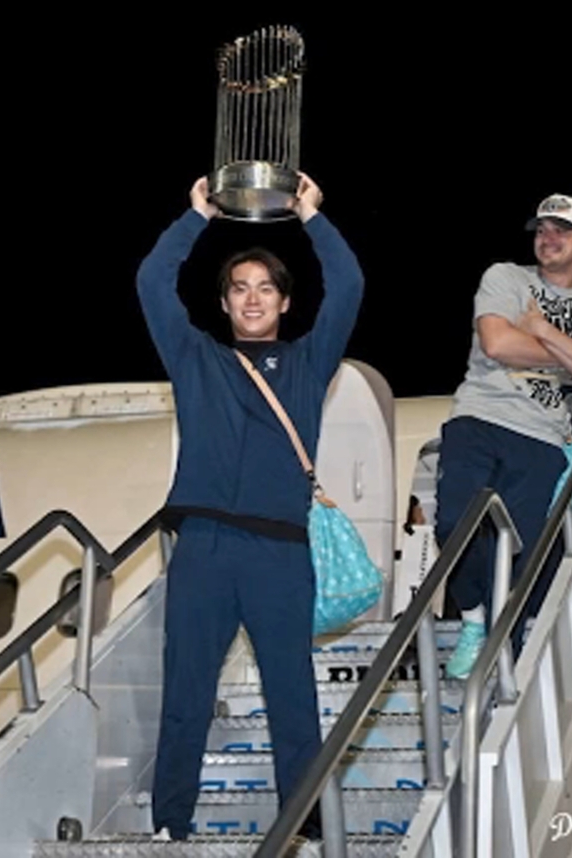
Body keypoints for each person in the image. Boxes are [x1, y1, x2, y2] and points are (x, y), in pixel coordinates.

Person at [136, 171, 364, 840]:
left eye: (266, 288)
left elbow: (349, 285)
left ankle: (304, 826)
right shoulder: (194, 358)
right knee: (186, 694)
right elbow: (152, 283)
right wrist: (196, 217)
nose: (254, 298)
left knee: (291, 695)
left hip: (279, 552)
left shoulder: (309, 364)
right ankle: (170, 826)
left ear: (285, 303)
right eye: (240, 288)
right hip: (203, 548)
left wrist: (311, 215)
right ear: (225, 302)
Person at [433, 194, 572, 678]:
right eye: (542, 229)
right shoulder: (505, 278)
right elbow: (497, 343)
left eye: (562, 230)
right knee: (454, 524)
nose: (548, 238)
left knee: (523, 557)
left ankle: (505, 669)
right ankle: (473, 619)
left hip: (543, 439)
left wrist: (541, 331)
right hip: (478, 419)